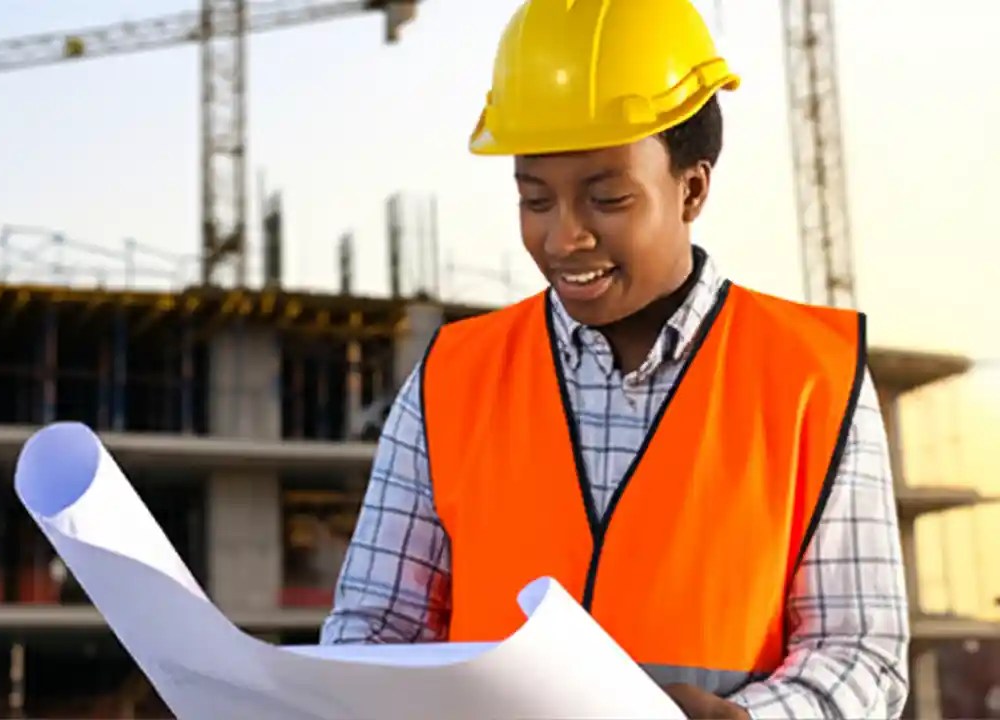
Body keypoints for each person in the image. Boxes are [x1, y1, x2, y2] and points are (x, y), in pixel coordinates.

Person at [319, 0, 910, 718]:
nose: (564, 238)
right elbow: (376, 630)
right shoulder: (449, 377)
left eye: (606, 199)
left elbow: (859, 652)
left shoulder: (816, 378)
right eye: (535, 200)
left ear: (691, 188)